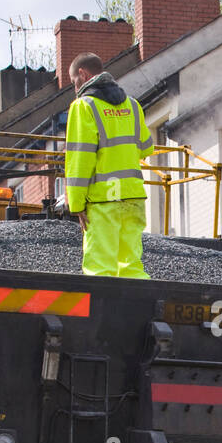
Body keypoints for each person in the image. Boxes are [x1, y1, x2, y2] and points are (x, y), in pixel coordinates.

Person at [64, 52, 155, 278]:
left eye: (74, 81)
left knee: (100, 270)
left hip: (104, 200)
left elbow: (80, 158)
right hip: (133, 197)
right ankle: (136, 313)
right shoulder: (132, 105)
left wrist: (76, 204)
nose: (75, 88)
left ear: (82, 75)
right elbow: (146, 147)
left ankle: (104, 313)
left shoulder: (83, 106)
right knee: (131, 267)